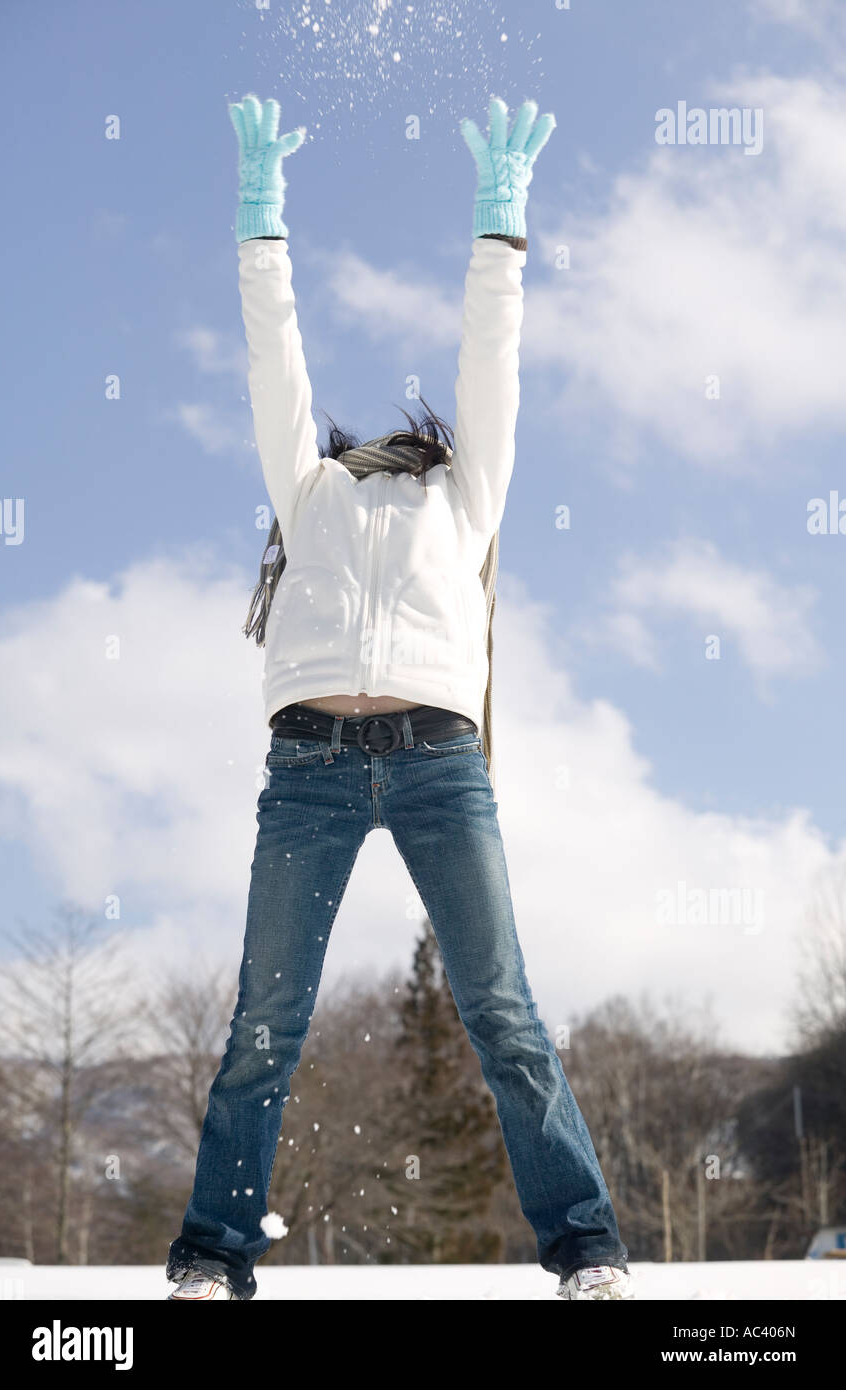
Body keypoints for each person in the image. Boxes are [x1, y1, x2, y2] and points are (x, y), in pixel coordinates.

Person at [165, 93, 633, 1302]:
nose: (386, 450)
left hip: (438, 763)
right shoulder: (309, 491)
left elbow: (494, 359)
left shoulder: (466, 497)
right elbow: (275, 359)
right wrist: (261, 226)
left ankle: (584, 1244)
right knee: (264, 1020)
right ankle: (214, 1255)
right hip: (310, 766)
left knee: (503, 1010)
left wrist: (502, 231)